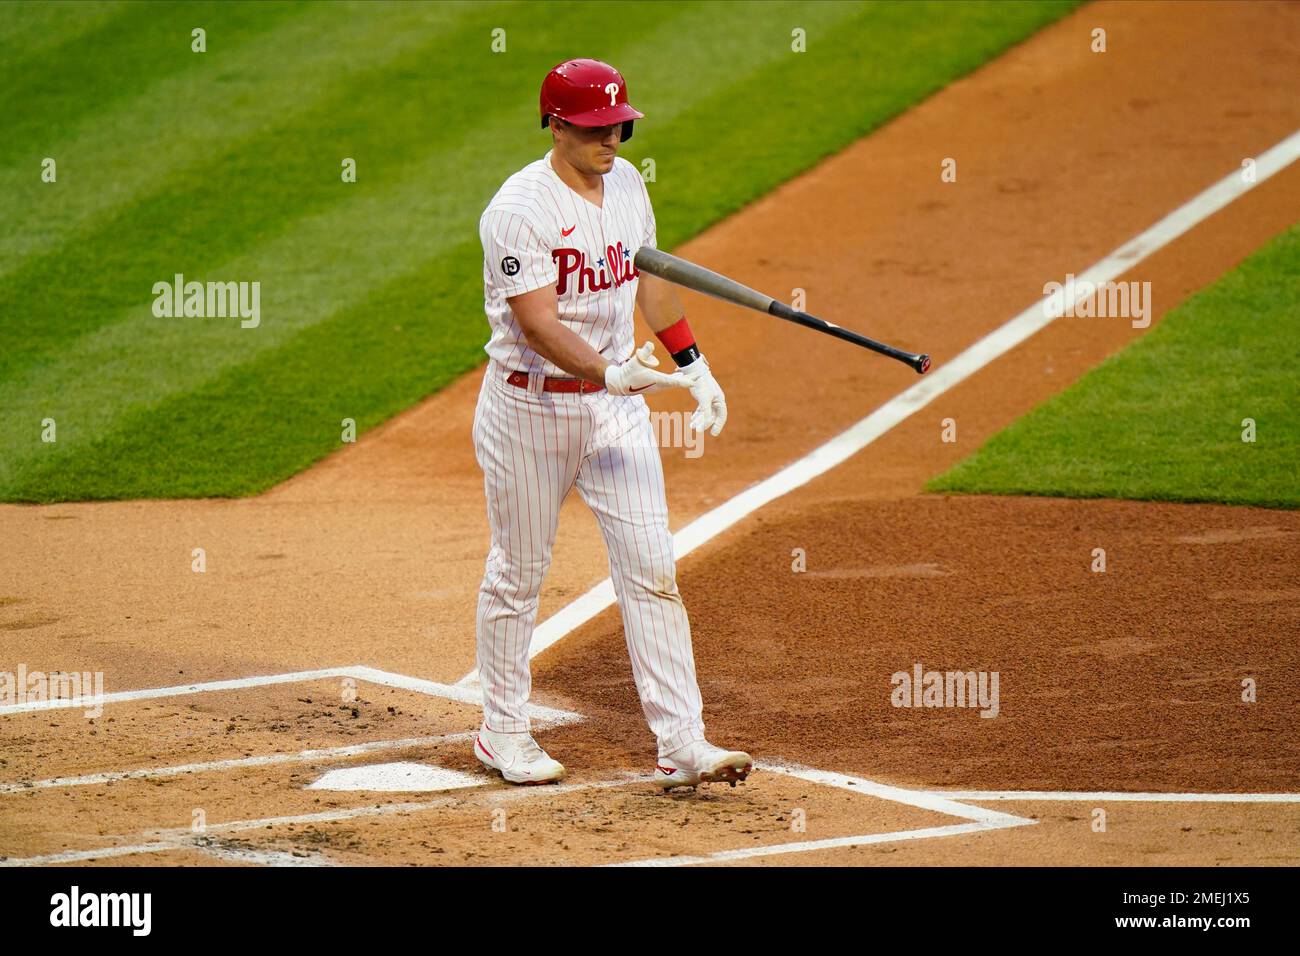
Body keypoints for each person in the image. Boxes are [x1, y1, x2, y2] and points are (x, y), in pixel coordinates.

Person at [471, 58, 752, 790]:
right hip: (530, 408)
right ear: (556, 125)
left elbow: (651, 284)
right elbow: (534, 323)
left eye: (619, 126)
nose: (612, 140)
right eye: (597, 128)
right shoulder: (518, 210)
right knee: (519, 573)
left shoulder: (627, 184)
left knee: (651, 567)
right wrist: (607, 371)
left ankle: (682, 742)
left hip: (614, 409)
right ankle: (501, 732)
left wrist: (692, 362)